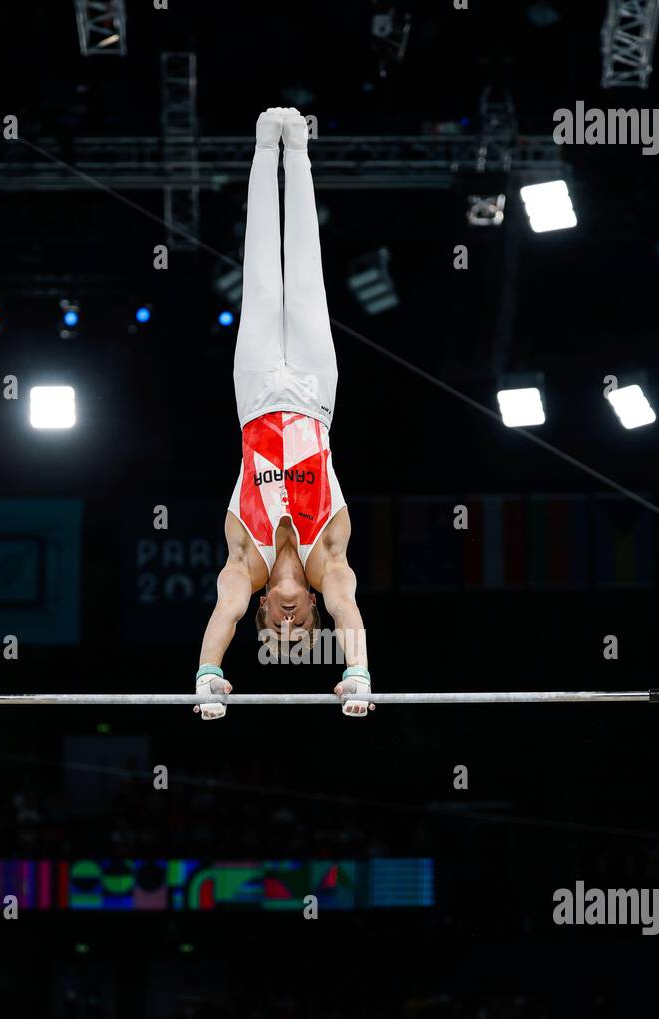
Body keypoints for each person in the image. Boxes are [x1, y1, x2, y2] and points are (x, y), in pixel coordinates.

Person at [194, 107, 371, 719]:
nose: (290, 626)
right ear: (312, 613)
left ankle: (263, 145)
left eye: (276, 632)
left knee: (263, 278)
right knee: (307, 273)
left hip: (256, 398)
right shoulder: (332, 561)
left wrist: (208, 674)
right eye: (300, 634)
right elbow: (351, 613)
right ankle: (296, 149)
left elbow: (223, 613)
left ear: (263, 612)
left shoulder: (245, 563)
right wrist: (358, 673)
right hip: (316, 396)